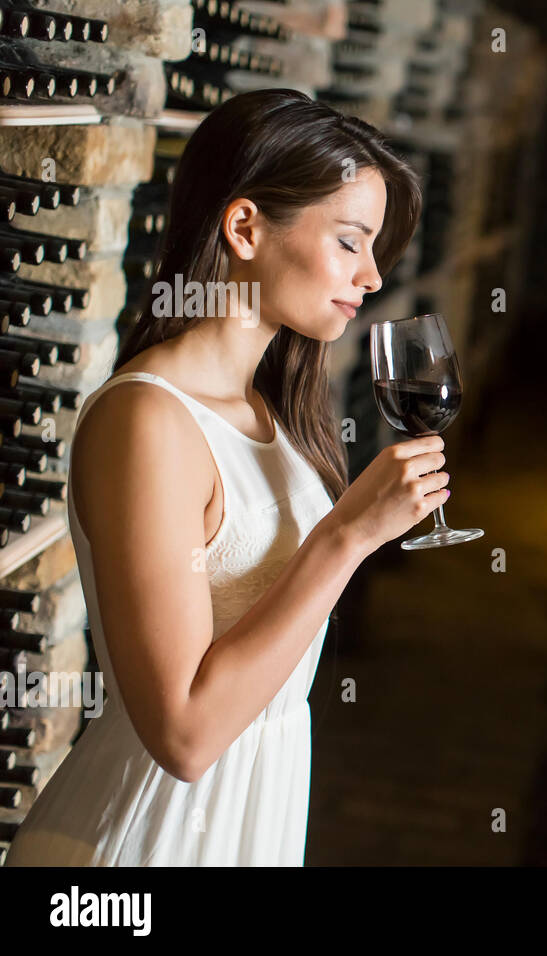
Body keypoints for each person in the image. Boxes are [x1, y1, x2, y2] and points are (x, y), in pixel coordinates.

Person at [3, 89, 449, 865]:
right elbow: (184, 734)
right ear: (244, 228)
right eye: (350, 242)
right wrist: (347, 536)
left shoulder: (269, 414)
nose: (373, 277)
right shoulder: (148, 423)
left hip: (254, 818)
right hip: (143, 843)